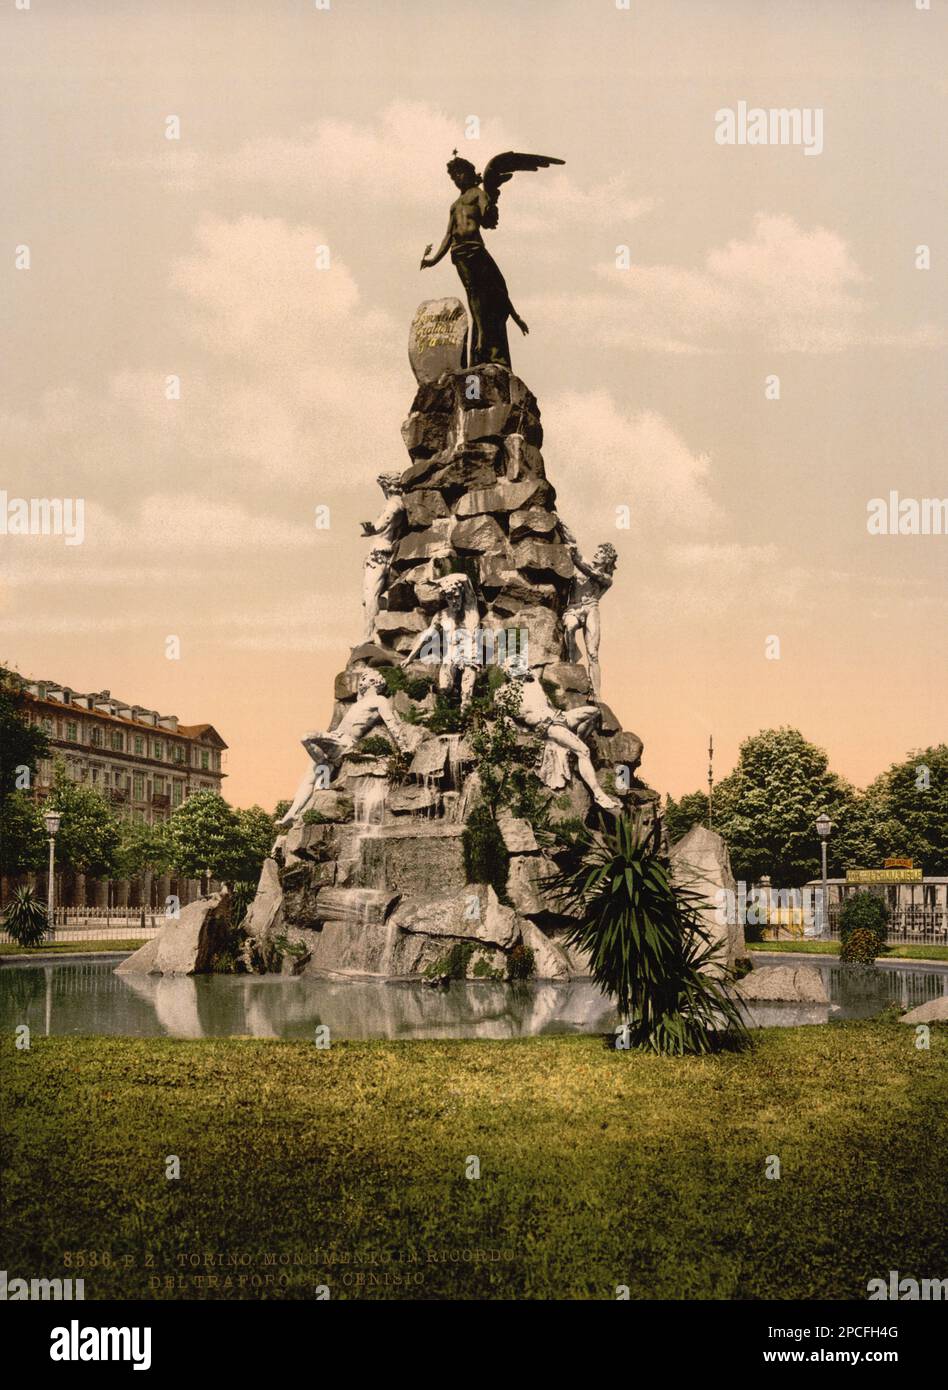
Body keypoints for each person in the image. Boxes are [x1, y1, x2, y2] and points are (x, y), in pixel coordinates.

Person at [420, 154, 529, 369]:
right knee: (474, 293)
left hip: (476, 249)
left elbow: (487, 216)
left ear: (469, 173)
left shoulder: (477, 194)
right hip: (460, 253)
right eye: (453, 176)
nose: (456, 179)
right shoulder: (454, 205)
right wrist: (433, 260)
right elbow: (449, 235)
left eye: (459, 173)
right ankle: (481, 342)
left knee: (497, 288)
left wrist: (490, 206)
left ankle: (503, 328)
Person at [278, 671, 406, 827]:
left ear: (376, 682)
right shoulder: (358, 702)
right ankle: (292, 813)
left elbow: (391, 722)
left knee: (307, 737)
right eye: (362, 678)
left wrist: (403, 746)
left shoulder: (379, 700)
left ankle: (329, 763)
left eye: (365, 678)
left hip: (344, 743)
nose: (361, 680)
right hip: (334, 739)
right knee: (309, 777)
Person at [505, 654, 619, 812]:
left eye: (521, 664)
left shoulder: (533, 683)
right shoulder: (508, 693)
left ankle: (575, 744)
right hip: (548, 727)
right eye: (515, 666)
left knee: (594, 712)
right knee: (584, 751)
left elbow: (540, 664)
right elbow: (512, 717)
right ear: (508, 671)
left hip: (561, 717)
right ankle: (598, 794)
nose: (520, 668)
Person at [400, 573, 480, 707]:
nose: (454, 601)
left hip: (469, 656)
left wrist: (437, 581)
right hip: (450, 657)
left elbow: (465, 577)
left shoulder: (470, 607)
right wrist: (410, 657)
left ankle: (466, 708)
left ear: (462, 594)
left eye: (456, 597)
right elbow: (426, 637)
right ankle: (450, 702)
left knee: (467, 695)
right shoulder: (442, 615)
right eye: (450, 598)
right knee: (444, 688)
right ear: (445, 598)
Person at [560, 524, 618, 698]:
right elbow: (572, 542)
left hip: (591, 608)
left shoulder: (607, 579)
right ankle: (572, 668)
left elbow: (592, 572)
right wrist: (560, 524)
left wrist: (575, 558)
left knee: (593, 653)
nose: (596, 554)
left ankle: (597, 694)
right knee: (569, 629)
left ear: (607, 560)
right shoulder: (582, 562)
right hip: (574, 607)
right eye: (597, 551)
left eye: (601, 553)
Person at [359, 474, 406, 642]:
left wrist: (373, 529)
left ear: (387, 487)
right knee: (372, 597)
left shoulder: (394, 504)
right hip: (386, 553)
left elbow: (385, 521)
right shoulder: (399, 503)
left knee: (369, 595)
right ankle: (378, 630)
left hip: (379, 552)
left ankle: (369, 635)